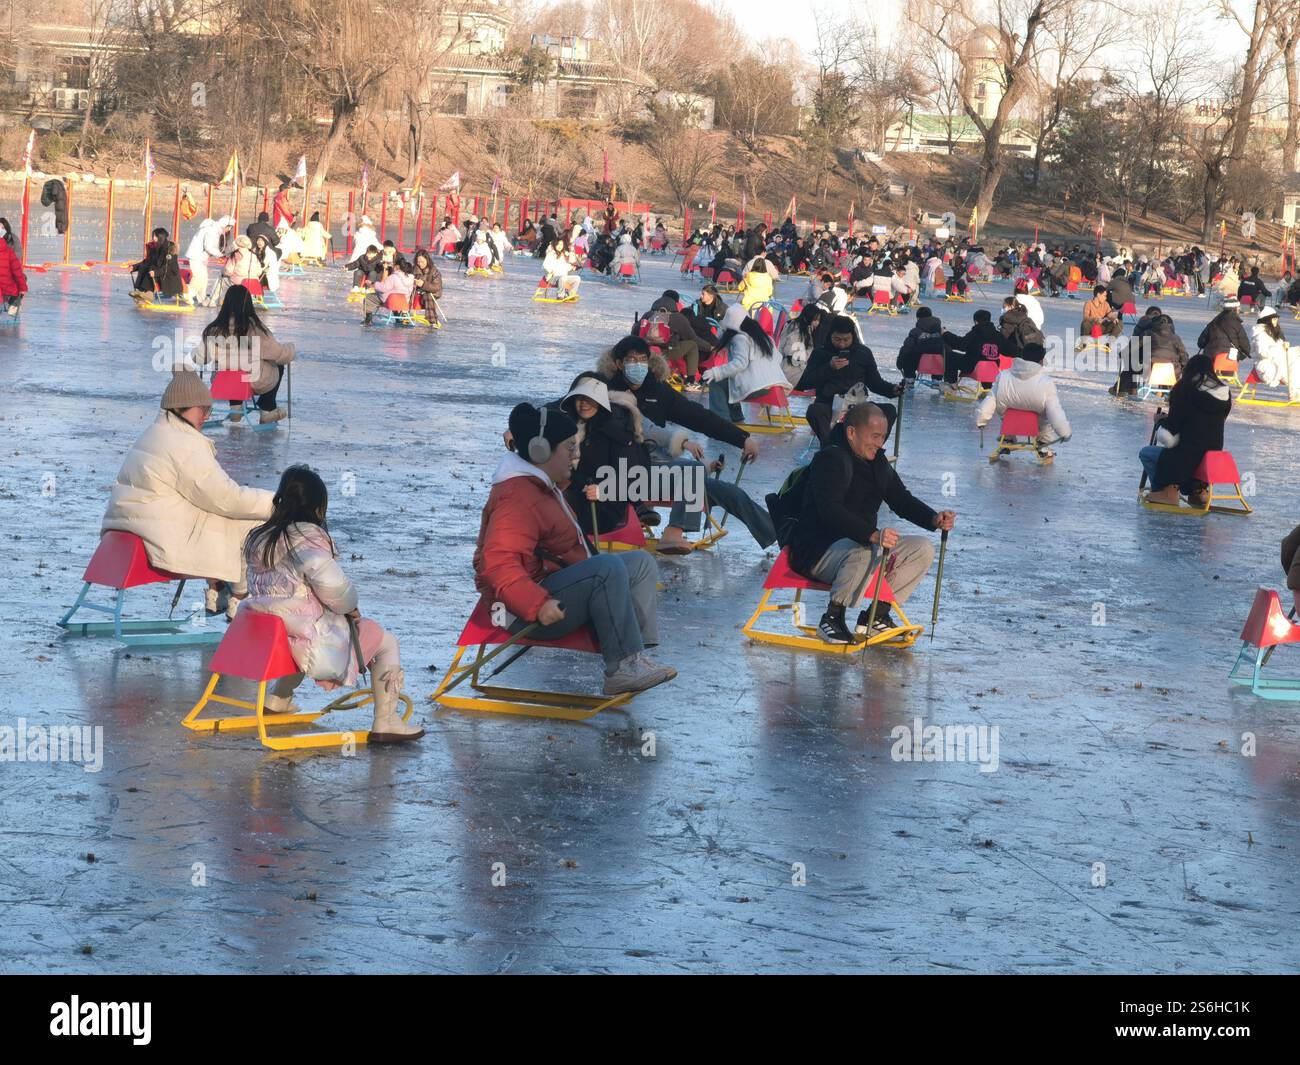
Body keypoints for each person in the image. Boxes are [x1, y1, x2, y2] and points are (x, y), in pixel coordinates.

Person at [476, 403, 676, 695]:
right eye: (569, 448)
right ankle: (621, 668)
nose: (575, 455)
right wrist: (536, 604)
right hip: (522, 611)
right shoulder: (518, 498)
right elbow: (496, 563)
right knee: (606, 569)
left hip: (551, 586)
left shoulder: (545, 485)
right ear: (542, 451)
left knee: (639, 563)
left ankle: (635, 656)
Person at [243, 465, 423, 743]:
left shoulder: (261, 538)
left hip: (272, 633)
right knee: (387, 642)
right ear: (317, 508)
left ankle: (279, 700)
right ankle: (386, 721)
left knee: (296, 630)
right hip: (312, 642)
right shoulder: (306, 539)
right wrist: (350, 606)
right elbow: (334, 587)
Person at [101, 371, 274, 619]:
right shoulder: (184, 443)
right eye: (201, 408)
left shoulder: (155, 433)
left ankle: (217, 590)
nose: (205, 415)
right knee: (250, 522)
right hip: (159, 538)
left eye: (208, 409)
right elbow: (226, 497)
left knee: (214, 515)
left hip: (129, 528)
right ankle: (240, 599)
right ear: (180, 407)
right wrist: (278, 503)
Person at [789, 402, 955, 644]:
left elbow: (901, 499)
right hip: (819, 551)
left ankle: (876, 616)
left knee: (921, 549)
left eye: (884, 437)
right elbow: (830, 511)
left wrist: (933, 518)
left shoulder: (877, 461)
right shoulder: (830, 459)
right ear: (852, 432)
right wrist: (872, 535)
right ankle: (832, 618)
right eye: (875, 436)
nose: (880, 443)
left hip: (862, 545)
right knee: (866, 550)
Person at [598, 336, 773, 553]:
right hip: (620, 475)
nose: (638, 365)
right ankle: (673, 532)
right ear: (619, 364)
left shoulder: (657, 390)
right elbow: (645, 429)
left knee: (729, 492)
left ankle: (778, 536)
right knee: (693, 472)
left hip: (661, 472)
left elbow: (698, 416)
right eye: (631, 360)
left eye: (642, 359)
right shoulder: (604, 392)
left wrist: (742, 438)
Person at [1140, 353, 1231, 507]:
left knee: (1147, 453)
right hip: (1212, 455)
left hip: (1185, 456)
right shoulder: (1225, 394)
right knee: (1192, 456)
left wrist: (1161, 423)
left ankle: (1167, 491)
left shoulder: (1185, 389)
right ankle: (1198, 492)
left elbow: (1168, 438)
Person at [199, 284, 295, 425]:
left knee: (232, 367)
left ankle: (236, 407)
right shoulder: (254, 328)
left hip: (223, 380)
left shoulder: (214, 329)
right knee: (276, 365)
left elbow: (203, 358)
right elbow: (276, 352)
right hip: (252, 379)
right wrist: (290, 349)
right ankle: (267, 409)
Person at [798, 315, 902, 443]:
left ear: (853, 336)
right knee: (814, 411)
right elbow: (807, 381)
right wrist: (829, 367)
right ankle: (830, 448)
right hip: (829, 405)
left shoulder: (863, 353)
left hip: (857, 406)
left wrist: (892, 390)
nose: (841, 344)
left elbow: (874, 382)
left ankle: (871, 448)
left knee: (889, 410)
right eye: (837, 339)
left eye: (846, 340)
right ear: (830, 335)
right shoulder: (820, 352)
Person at [975, 341, 1071, 462]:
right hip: (1037, 418)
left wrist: (981, 420)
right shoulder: (1046, 382)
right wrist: (1064, 433)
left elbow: (991, 399)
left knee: (1005, 412)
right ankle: (1043, 445)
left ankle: (1007, 438)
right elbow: (1054, 411)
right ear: (1041, 361)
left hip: (1009, 415)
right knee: (1045, 421)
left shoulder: (1004, 376)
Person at [702, 304, 790, 423]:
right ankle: (736, 416)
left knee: (717, 381)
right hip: (773, 384)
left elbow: (740, 363)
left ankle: (720, 420)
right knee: (731, 379)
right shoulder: (764, 337)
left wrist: (716, 372)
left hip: (755, 387)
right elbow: (778, 358)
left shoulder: (740, 338)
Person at [1250, 306, 1300, 400]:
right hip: (1266, 366)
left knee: (1296, 362)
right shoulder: (1260, 334)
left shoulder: (1274, 333)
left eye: (1276, 319)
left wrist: (1296, 350)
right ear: (1267, 320)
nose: (1276, 321)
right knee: (1290, 366)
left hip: (1277, 363)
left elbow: (1282, 352)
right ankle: (1294, 393)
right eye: (1274, 319)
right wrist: (1280, 347)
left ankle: (1295, 392)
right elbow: (1262, 352)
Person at [185, 215, 232, 306]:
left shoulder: (214, 229)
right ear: (225, 225)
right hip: (196, 256)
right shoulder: (212, 230)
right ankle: (188, 294)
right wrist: (220, 255)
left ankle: (201, 298)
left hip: (200, 256)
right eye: (229, 227)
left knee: (204, 278)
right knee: (198, 277)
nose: (229, 230)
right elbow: (209, 246)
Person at [779, 303, 824, 387]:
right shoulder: (801, 331)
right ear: (808, 317)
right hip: (795, 373)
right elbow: (796, 356)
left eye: (818, 320)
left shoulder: (792, 324)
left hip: (786, 368)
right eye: (815, 320)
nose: (817, 323)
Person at [1198, 295, 1250, 362]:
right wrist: (1243, 355)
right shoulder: (1236, 323)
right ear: (1235, 308)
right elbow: (1245, 344)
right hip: (1229, 358)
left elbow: (1201, 343)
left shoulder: (1213, 322)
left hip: (1210, 357)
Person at [130, 228, 171, 294]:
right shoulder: (154, 247)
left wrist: (156, 272)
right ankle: (140, 290)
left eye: (155, 236)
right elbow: (147, 261)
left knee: (151, 269)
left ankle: (148, 293)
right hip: (156, 271)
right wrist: (134, 267)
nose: (153, 238)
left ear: (161, 236)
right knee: (143, 267)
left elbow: (168, 267)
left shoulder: (169, 248)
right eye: (153, 236)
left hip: (165, 275)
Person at [411, 249, 444, 322]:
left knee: (428, 295)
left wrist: (423, 284)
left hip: (432, 293)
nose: (420, 264)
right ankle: (403, 315)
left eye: (422, 262)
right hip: (417, 292)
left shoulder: (434, 271)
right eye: (418, 262)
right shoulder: (414, 269)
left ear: (427, 260)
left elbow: (437, 287)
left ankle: (432, 320)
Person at [0, 227, 26, 316]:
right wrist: (23, 288)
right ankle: (12, 307)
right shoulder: (9, 252)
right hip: (7, 288)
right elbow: (18, 272)